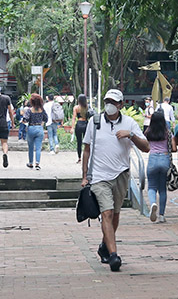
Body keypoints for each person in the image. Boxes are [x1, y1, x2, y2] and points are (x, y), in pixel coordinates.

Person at [82, 89, 149, 272]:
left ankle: (105, 246)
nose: (109, 105)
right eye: (107, 101)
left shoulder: (129, 123)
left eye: (113, 102)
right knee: (107, 213)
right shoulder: (94, 122)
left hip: (121, 175)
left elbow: (146, 147)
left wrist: (131, 135)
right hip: (100, 176)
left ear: (121, 104)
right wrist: (85, 176)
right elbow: (86, 149)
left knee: (116, 214)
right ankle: (114, 256)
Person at [145, 108, 172, 223]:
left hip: (152, 158)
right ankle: (161, 215)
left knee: (151, 186)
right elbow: (173, 146)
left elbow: (145, 145)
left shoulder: (148, 132)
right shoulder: (167, 132)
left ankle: (153, 204)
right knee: (162, 189)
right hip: (164, 159)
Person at [25, 93, 48, 169]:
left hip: (31, 128)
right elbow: (46, 119)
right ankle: (37, 163)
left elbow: (26, 119)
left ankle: (31, 163)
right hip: (39, 128)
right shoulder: (42, 110)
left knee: (30, 147)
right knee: (38, 148)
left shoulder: (29, 110)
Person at [73, 94, 91, 163]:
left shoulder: (76, 108)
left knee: (79, 142)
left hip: (79, 124)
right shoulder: (87, 107)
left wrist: (72, 127)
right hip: (86, 124)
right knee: (87, 142)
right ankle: (88, 157)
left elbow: (74, 118)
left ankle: (79, 158)